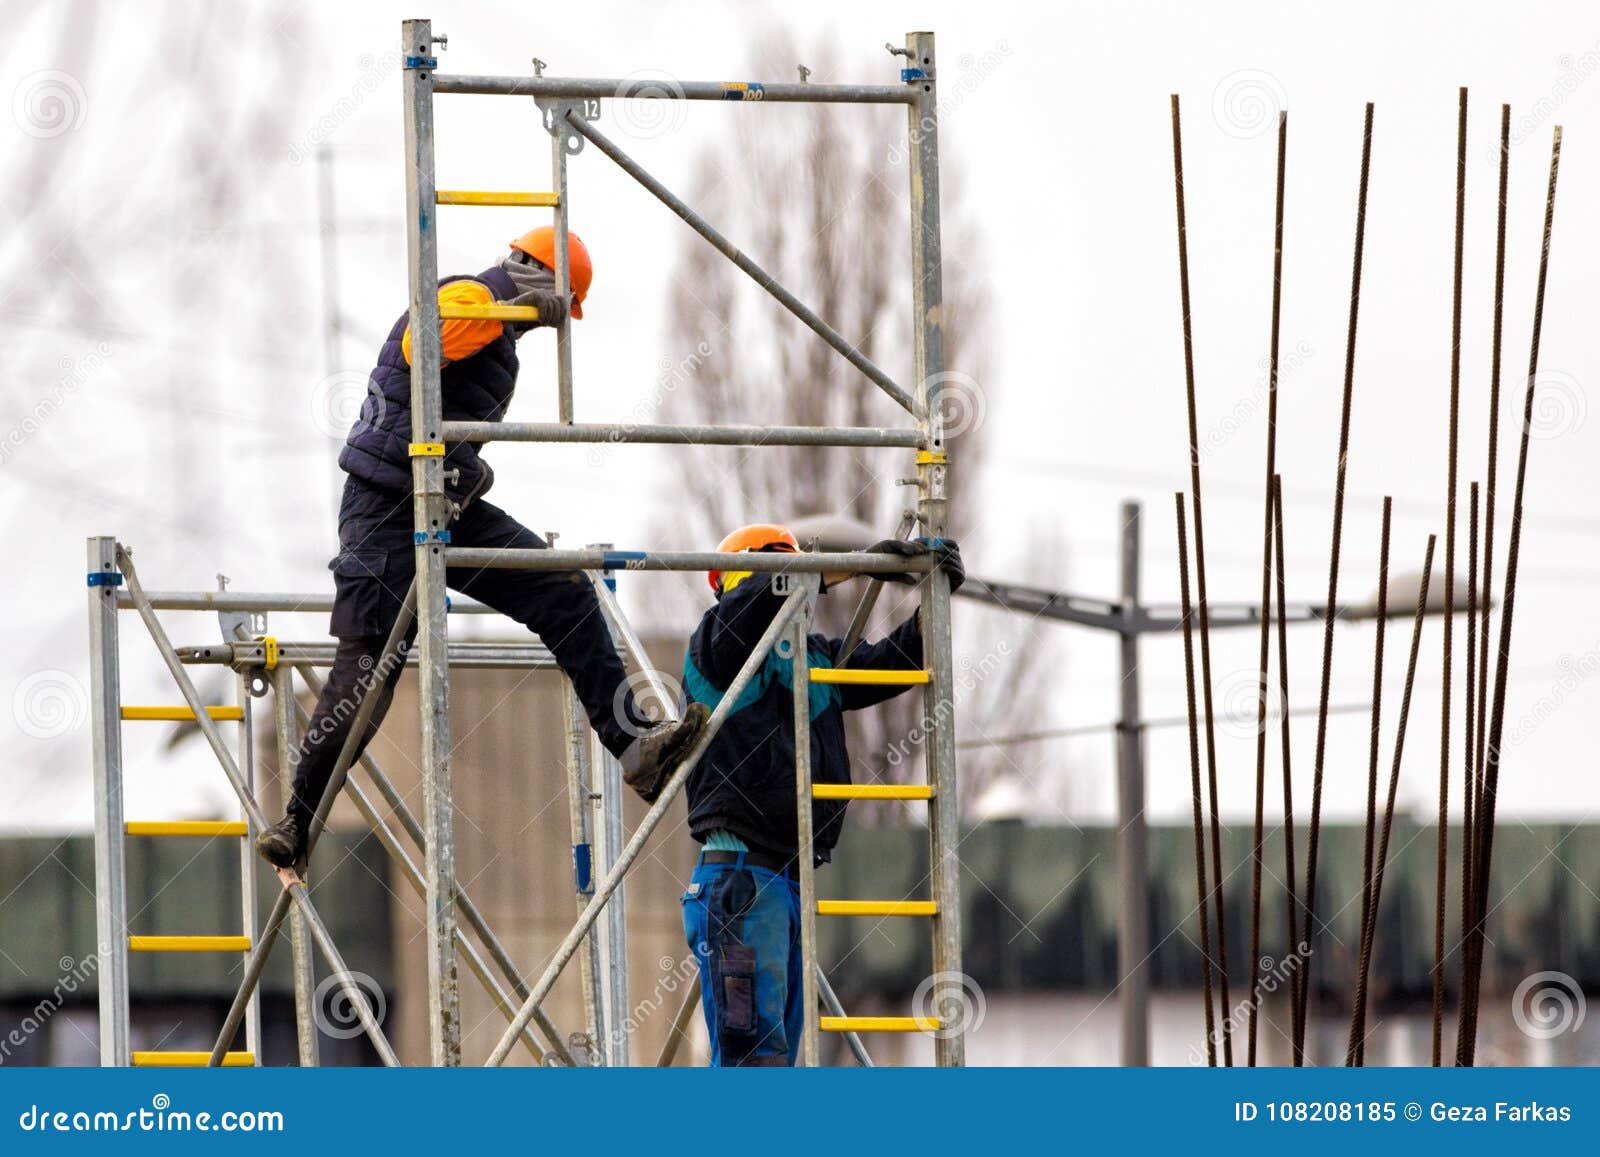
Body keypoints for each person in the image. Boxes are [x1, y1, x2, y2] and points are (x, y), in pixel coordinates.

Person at [257, 226, 707, 870]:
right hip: (385, 509)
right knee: (369, 672)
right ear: (536, 276)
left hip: (446, 503)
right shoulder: (469, 296)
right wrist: (506, 303)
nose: (549, 326)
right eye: (557, 307)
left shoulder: (497, 336)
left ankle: (638, 750)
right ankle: (297, 821)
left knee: (564, 593)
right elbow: (425, 342)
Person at [678, 523, 964, 1065]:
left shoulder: (813, 662)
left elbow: (890, 665)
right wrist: (848, 564)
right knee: (752, 1061)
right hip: (741, 886)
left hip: (779, 886)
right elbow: (759, 600)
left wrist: (937, 601)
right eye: (789, 568)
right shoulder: (718, 646)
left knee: (775, 1061)